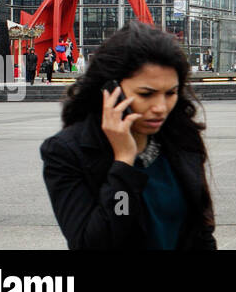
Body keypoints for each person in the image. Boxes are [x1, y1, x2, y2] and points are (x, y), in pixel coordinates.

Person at [40, 22, 216, 250]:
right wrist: (124, 163)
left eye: (170, 93)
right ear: (111, 89)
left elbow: (202, 233)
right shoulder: (67, 152)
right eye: (146, 94)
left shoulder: (180, 136)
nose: (161, 107)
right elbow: (93, 244)